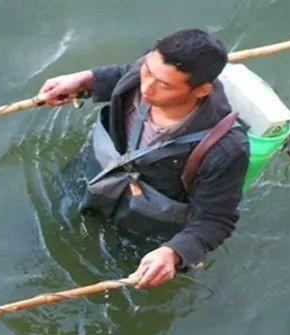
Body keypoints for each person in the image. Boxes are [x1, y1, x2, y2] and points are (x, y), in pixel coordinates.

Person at [37, 28, 249, 288]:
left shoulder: (226, 149)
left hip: (146, 223)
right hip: (100, 173)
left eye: (165, 85)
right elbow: (127, 73)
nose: (146, 88)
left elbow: (217, 219)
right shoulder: (147, 70)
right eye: (147, 71)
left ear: (202, 91)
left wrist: (174, 252)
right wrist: (85, 81)